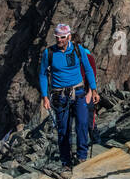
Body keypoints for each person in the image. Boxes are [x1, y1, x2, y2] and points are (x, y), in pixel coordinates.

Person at [40, 22, 97, 168]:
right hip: (60, 96)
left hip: (79, 92)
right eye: (57, 37)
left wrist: (94, 90)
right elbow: (42, 75)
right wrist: (45, 97)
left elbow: (88, 69)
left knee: (83, 124)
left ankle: (82, 157)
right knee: (63, 130)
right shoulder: (49, 53)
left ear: (69, 36)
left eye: (62, 37)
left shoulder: (78, 50)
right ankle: (66, 162)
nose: (59, 40)